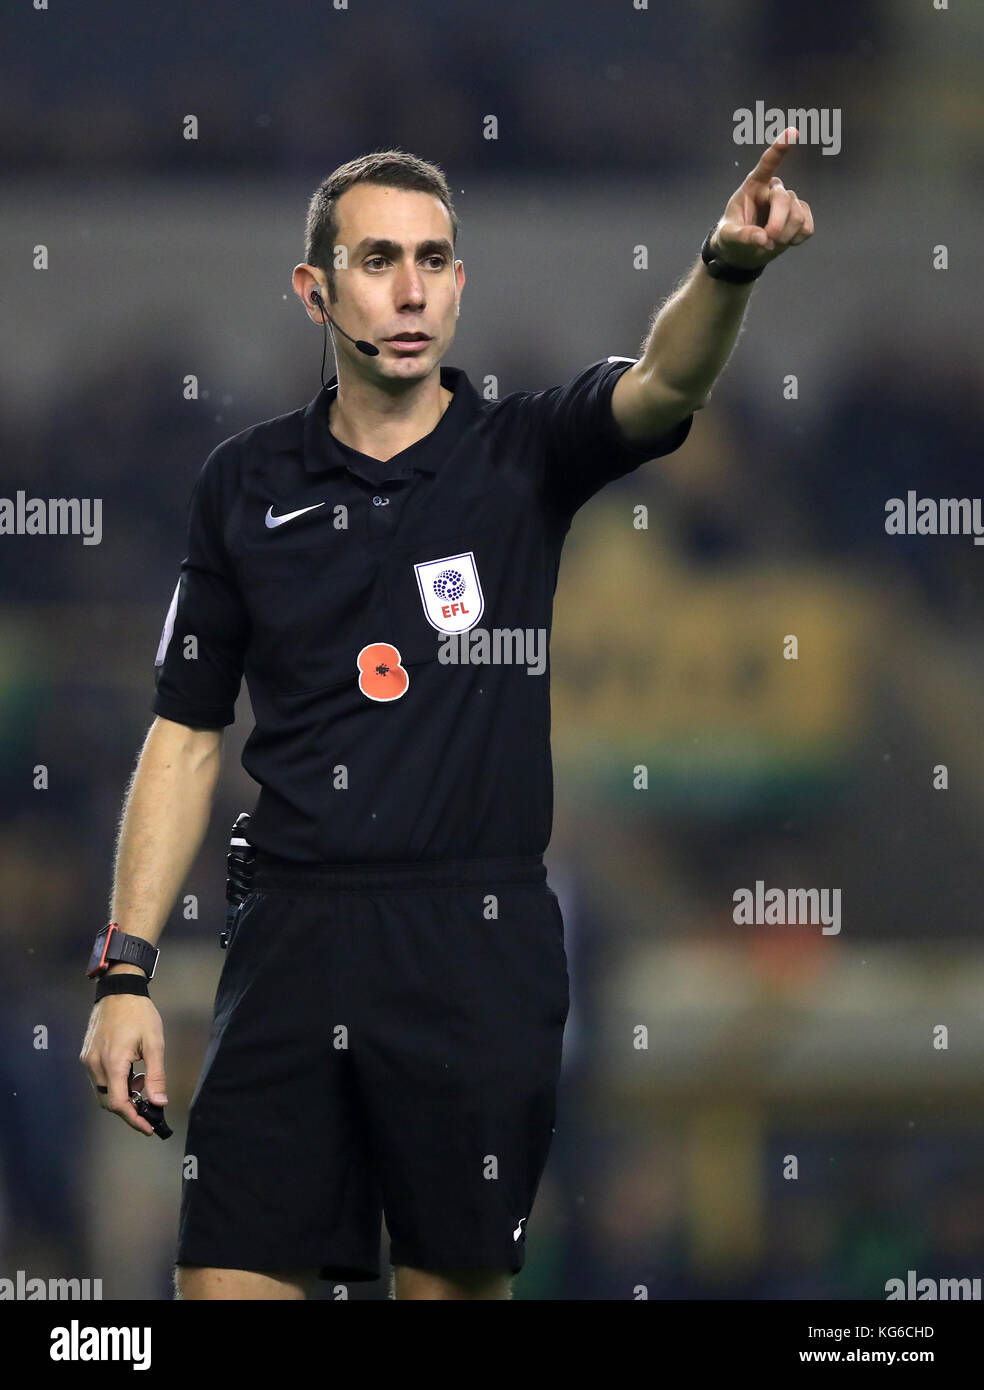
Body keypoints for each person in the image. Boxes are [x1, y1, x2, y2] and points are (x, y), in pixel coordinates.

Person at [80, 137, 813, 1301]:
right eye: (378, 260)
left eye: (434, 259)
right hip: (293, 940)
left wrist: (725, 269)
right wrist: (124, 975)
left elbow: (666, 384)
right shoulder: (244, 484)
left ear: (461, 283)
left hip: (474, 947)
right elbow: (184, 731)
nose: (412, 288)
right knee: (220, 1288)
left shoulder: (524, 453)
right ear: (316, 290)